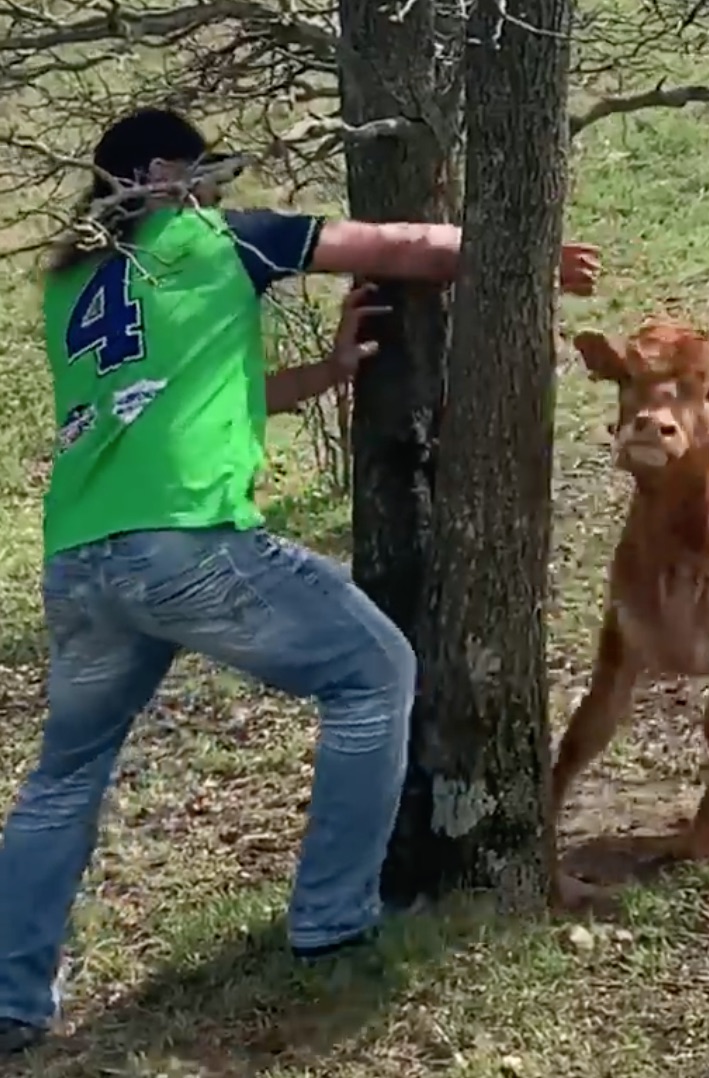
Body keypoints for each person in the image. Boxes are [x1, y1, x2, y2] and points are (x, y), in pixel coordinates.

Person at [0, 106, 603, 1056]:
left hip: (81, 561)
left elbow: (176, 393)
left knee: (64, 779)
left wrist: (325, 373)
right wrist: (522, 249)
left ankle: (13, 998)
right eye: (202, 174)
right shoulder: (217, 240)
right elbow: (395, 245)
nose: (215, 190)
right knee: (374, 675)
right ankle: (333, 923)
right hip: (186, 544)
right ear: (162, 174)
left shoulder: (73, 288)